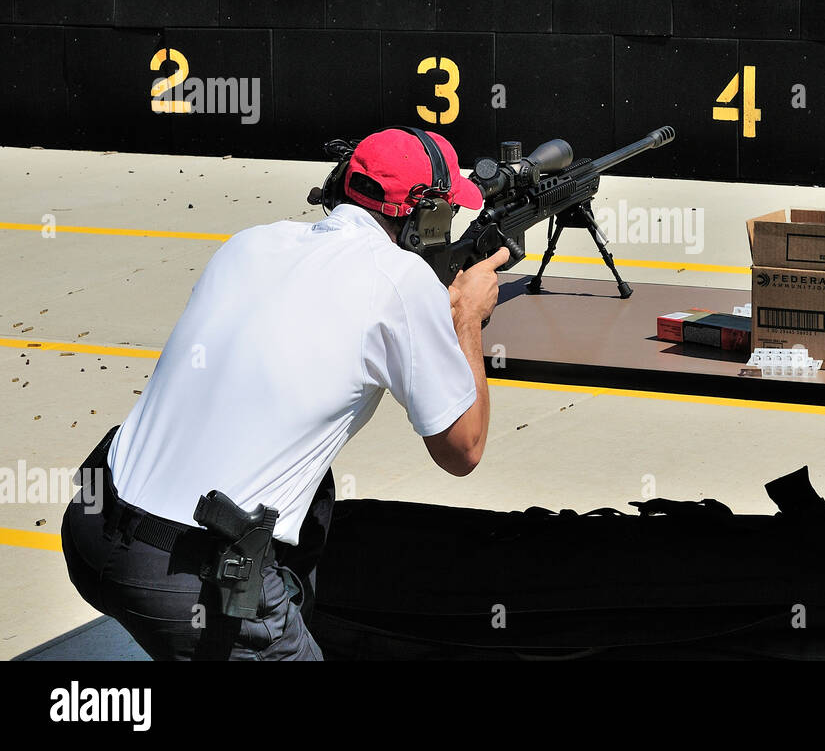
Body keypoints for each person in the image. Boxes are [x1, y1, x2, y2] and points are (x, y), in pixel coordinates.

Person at [61, 127, 509, 660]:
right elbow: (463, 450)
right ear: (425, 218)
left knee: (315, 496)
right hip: (190, 576)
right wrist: (465, 319)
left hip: (91, 525)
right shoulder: (400, 279)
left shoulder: (252, 241)